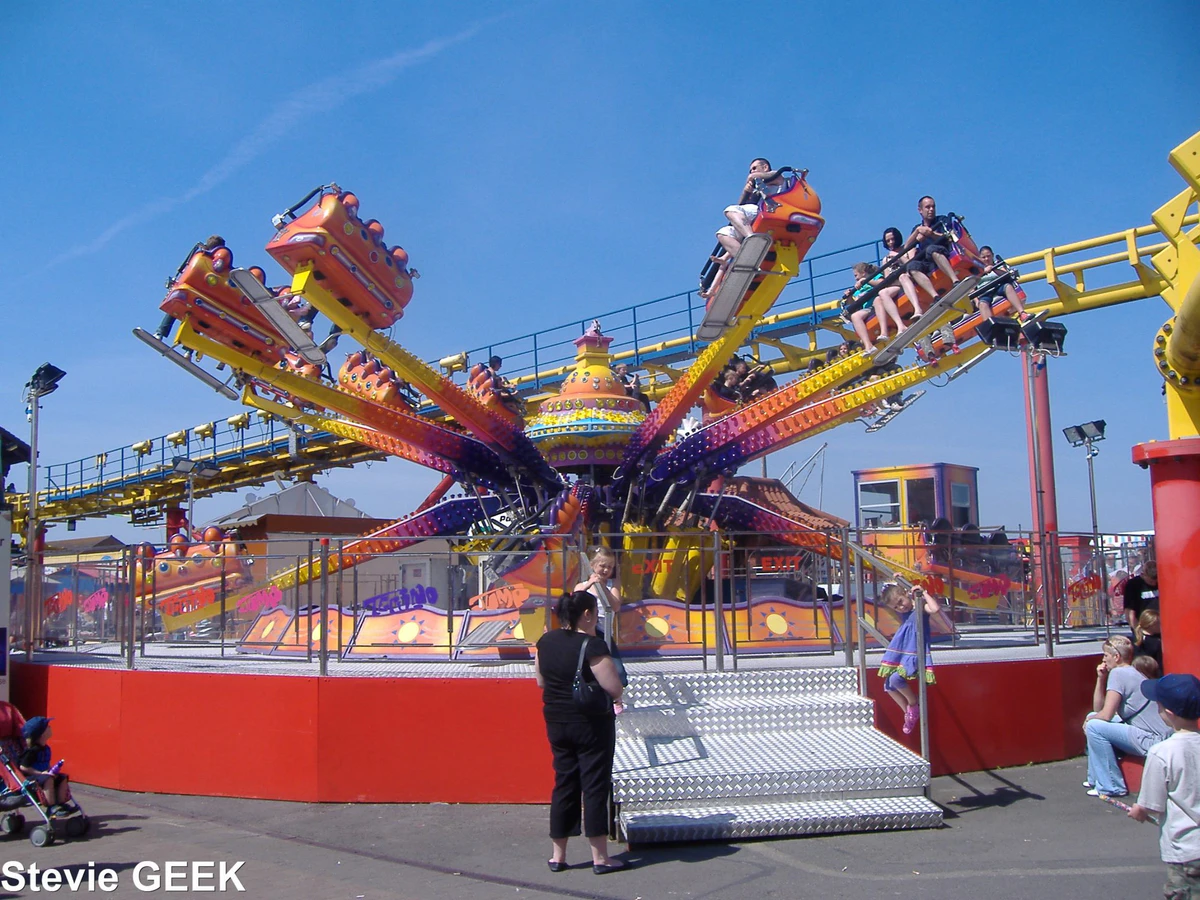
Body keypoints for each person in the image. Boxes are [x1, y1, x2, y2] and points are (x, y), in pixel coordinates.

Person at [534, 591, 627, 875]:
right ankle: (600, 856)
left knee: (565, 783)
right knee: (594, 785)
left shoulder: (546, 641)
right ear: (586, 614)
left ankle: (557, 855)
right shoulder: (593, 645)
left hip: (557, 721)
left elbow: (540, 681)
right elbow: (614, 687)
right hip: (591, 724)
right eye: (595, 611)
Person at [1127, 674, 1200, 899]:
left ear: (1168, 713)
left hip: (1185, 849)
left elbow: (1151, 804)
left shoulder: (1162, 752)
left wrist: (1138, 810)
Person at [1084, 636, 1173, 798]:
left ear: (1116, 657)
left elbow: (1106, 715)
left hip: (1152, 738)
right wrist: (1101, 679)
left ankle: (1111, 786)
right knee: (1092, 718)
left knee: (1093, 725)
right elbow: (1098, 710)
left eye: (1106, 655)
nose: (1103, 659)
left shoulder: (1118, 674)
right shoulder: (1130, 671)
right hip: (1153, 733)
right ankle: (1095, 778)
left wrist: (1089, 720)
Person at [878, 583, 940, 735]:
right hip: (904, 652)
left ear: (906, 594)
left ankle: (913, 704)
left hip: (915, 652)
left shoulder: (920, 608)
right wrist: (897, 579)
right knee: (888, 686)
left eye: (900, 602)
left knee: (895, 680)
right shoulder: (905, 612)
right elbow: (894, 587)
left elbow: (935, 609)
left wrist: (923, 593)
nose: (900, 607)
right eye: (896, 607)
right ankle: (909, 712)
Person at [898, 197, 960, 314]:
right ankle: (935, 296)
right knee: (912, 266)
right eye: (927, 207)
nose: (931, 209)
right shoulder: (917, 227)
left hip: (942, 251)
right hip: (927, 261)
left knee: (931, 249)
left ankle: (955, 280)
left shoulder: (942, 220)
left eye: (933, 206)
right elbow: (907, 247)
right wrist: (917, 231)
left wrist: (931, 234)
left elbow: (948, 236)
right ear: (920, 210)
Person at [842, 262, 907, 353]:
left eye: (856, 275)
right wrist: (849, 296)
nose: (855, 278)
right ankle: (868, 345)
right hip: (868, 309)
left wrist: (866, 280)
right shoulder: (859, 289)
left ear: (863, 273)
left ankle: (884, 332)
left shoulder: (875, 277)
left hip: (879, 303)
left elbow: (882, 283)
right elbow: (854, 304)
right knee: (855, 316)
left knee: (877, 300)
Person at [17, 716, 73, 815]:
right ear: (41, 734)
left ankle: (61, 803)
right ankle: (51, 806)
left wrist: (51, 770)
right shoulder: (32, 751)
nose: (50, 728)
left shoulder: (46, 748)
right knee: (48, 779)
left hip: (44, 775)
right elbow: (23, 767)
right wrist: (41, 773)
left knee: (62, 777)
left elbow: (45, 764)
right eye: (48, 727)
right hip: (31, 778)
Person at [973, 246, 1031, 323]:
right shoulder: (977, 269)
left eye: (988, 256)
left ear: (992, 255)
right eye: (983, 257)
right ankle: (991, 328)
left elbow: (1005, 273)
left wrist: (993, 269)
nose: (986, 259)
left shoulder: (998, 264)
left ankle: (1022, 314)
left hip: (998, 287)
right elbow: (971, 286)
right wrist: (976, 301)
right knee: (982, 304)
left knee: (1008, 287)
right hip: (985, 292)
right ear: (980, 258)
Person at [1125, 560, 1160, 635]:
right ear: (1143, 575)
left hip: (1160, 626)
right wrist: (1138, 631)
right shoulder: (1133, 585)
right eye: (1151, 582)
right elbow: (1129, 612)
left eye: (1156, 581)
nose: (1154, 584)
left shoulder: (1162, 581)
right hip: (1143, 627)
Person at [1137, 609, 1165, 674]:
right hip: (1154, 672)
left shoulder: (1137, 638)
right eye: (1158, 623)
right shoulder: (1155, 642)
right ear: (1151, 625)